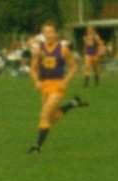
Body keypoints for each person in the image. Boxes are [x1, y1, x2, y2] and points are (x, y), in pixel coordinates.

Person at [26, 21, 85, 153]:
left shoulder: (63, 49)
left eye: (50, 32)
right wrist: (36, 81)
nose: (48, 35)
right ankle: (72, 104)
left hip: (57, 86)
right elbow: (33, 68)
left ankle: (37, 146)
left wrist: (65, 81)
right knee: (51, 118)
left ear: (56, 34)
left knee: (44, 114)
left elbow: (74, 66)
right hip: (44, 86)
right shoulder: (39, 50)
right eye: (45, 32)